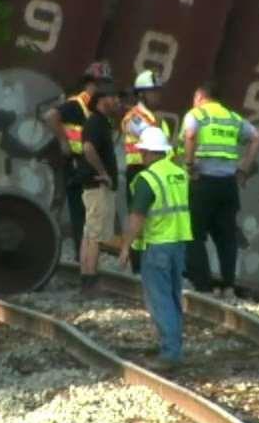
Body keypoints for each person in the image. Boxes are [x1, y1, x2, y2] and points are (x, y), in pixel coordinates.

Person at [118, 127, 193, 371]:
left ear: (149, 152)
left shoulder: (147, 179)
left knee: (159, 300)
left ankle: (170, 353)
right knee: (172, 296)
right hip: (178, 242)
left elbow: (137, 217)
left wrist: (125, 247)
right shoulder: (179, 173)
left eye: (143, 151)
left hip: (158, 244)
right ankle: (171, 345)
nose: (141, 156)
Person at [181, 85, 259, 300]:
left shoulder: (196, 114)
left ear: (200, 96)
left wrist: (189, 165)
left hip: (203, 182)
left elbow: (190, 135)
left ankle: (204, 286)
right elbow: (256, 137)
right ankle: (228, 287)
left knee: (193, 234)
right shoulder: (232, 118)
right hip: (228, 185)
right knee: (226, 237)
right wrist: (243, 168)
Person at [43, 60, 112, 262]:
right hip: (74, 163)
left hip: (85, 164)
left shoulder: (94, 108)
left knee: (85, 211)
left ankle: (83, 254)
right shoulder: (77, 104)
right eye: (99, 84)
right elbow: (50, 116)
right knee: (76, 209)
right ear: (89, 83)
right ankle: (78, 255)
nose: (102, 88)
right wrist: (63, 142)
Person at [120, 69, 172, 274]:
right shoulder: (134, 117)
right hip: (139, 171)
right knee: (138, 217)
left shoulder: (156, 119)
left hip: (157, 170)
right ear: (141, 94)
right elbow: (150, 137)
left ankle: (150, 265)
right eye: (153, 91)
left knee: (154, 219)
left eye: (158, 91)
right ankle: (138, 267)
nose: (158, 95)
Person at [77, 80, 123, 293]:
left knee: (89, 233)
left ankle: (86, 275)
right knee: (96, 234)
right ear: (102, 100)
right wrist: (104, 173)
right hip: (98, 186)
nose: (117, 101)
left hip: (94, 185)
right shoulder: (96, 122)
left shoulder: (100, 122)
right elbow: (88, 148)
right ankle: (90, 279)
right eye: (113, 97)